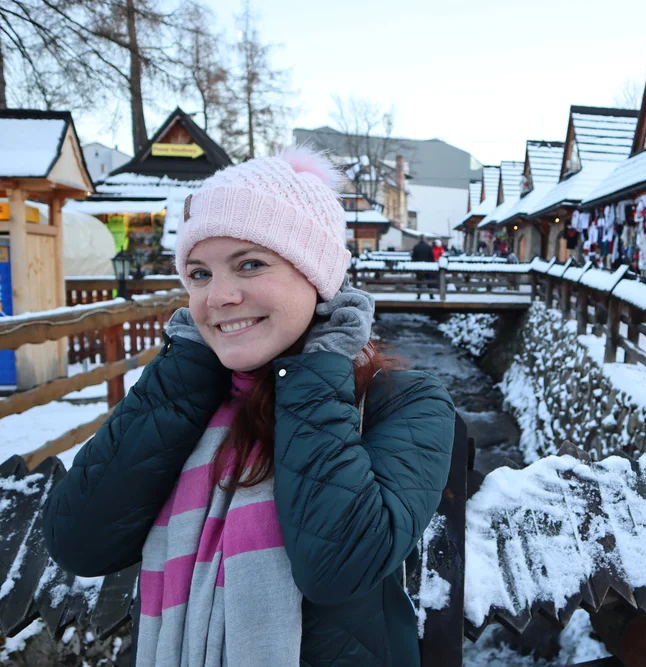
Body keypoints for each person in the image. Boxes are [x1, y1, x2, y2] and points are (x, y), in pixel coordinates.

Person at [42, 148, 456, 667]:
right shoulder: (189, 389)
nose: (218, 297)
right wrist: (186, 369)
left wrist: (317, 368)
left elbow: (339, 567)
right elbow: (80, 542)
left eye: (250, 264)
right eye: (199, 274)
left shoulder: (407, 402)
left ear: (317, 276)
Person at [410, 234, 436, 300]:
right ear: (425, 239)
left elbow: (413, 258)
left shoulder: (416, 247)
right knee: (429, 282)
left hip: (419, 267)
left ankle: (418, 295)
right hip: (428, 267)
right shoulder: (428, 247)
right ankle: (431, 295)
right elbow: (432, 257)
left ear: (419, 239)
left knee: (419, 282)